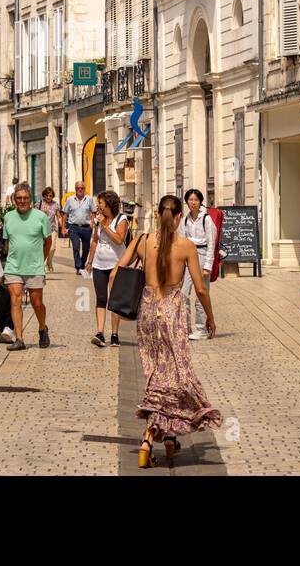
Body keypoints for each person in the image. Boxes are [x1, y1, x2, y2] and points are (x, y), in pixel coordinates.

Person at [113, 193, 221, 469]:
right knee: (174, 375)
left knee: (157, 373)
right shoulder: (186, 247)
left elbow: (116, 271)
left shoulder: (142, 241)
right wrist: (209, 317)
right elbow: (199, 288)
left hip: (148, 313)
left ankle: (170, 438)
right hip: (172, 313)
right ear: (177, 217)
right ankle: (149, 438)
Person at [2, 182, 53, 350]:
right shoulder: (8, 217)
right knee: (15, 300)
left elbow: (48, 241)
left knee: (36, 302)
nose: (22, 201)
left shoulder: (40, 217)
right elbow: (7, 242)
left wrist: (42, 260)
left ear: (31, 199)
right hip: (13, 267)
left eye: (25, 198)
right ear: (14, 200)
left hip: (35, 267)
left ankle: (42, 328)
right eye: (19, 198)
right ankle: (19, 339)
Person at [85, 190, 127, 348]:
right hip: (99, 264)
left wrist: (104, 225)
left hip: (116, 264)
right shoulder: (98, 219)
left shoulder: (121, 219)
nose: (98, 206)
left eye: (100, 203)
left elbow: (119, 239)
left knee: (114, 300)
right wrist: (89, 261)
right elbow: (95, 240)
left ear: (108, 204)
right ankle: (100, 333)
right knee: (101, 298)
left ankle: (115, 334)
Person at [179, 189, 217, 341]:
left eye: (195, 200)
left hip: (202, 255)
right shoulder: (185, 220)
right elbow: (181, 241)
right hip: (188, 256)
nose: (193, 202)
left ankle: (201, 328)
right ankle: (186, 327)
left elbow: (211, 243)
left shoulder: (206, 219)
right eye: (190, 200)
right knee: (183, 293)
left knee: (202, 292)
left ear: (200, 201)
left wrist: (208, 265)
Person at [63, 181, 96, 278]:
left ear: (84, 189)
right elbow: (65, 213)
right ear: (75, 189)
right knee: (76, 246)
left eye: (82, 188)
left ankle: (82, 264)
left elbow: (93, 211)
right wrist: (63, 227)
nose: (80, 190)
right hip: (74, 227)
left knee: (86, 249)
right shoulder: (70, 200)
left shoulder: (89, 199)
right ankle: (78, 267)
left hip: (86, 228)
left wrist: (92, 222)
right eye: (78, 188)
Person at [37, 187, 61, 272]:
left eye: (50, 195)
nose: (48, 197)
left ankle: (49, 262)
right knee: (42, 247)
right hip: (41, 229)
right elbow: (34, 215)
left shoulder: (55, 204)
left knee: (52, 248)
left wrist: (62, 226)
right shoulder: (39, 203)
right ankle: (42, 265)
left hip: (52, 228)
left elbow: (58, 216)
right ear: (44, 195)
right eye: (47, 195)